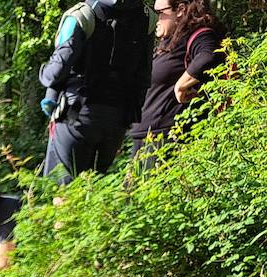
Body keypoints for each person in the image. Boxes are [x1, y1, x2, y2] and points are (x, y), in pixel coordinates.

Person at [39, 0, 154, 185]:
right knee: (94, 191)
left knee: (61, 192)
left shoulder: (81, 15)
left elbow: (56, 71)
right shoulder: (147, 18)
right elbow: (143, 78)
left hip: (76, 117)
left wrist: (44, 73)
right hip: (115, 123)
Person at [129, 0, 226, 169]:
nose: (155, 17)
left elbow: (209, 55)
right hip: (145, 139)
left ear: (180, 10)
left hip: (168, 140)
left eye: (159, 12)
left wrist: (180, 86)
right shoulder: (169, 42)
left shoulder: (198, 35)